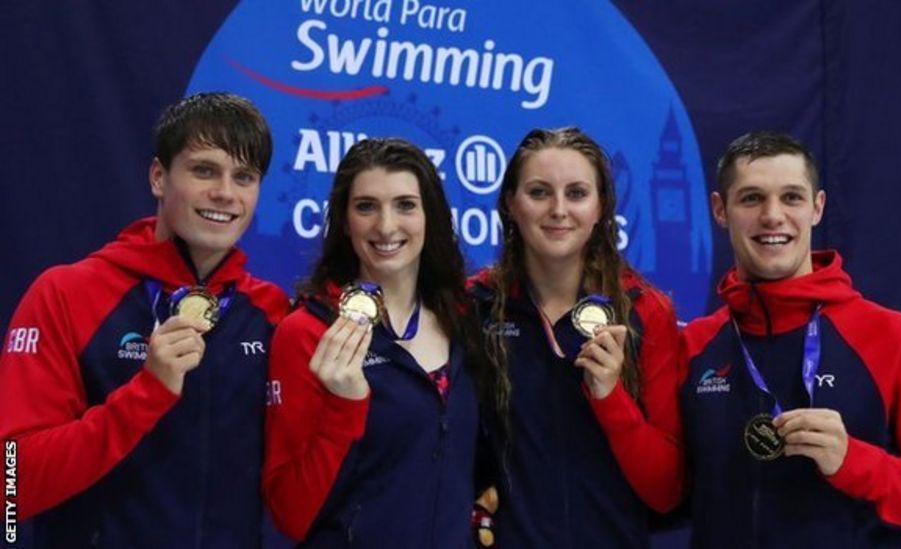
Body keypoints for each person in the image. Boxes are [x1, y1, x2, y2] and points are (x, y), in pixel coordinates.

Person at [0, 93, 290, 547]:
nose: (225, 193)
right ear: (159, 177)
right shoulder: (66, 294)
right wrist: (146, 394)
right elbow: (10, 487)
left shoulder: (271, 312)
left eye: (244, 177)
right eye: (204, 170)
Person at [680, 130, 901, 548]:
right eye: (751, 198)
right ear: (719, 210)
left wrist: (855, 462)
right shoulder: (694, 345)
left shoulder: (892, 337)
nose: (772, 216)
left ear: (817, 208)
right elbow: (663, 492)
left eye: (792, 198)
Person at [262, 137, 494, 547]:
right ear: (345, 220)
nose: (386, 226)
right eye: (366, 206)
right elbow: (290, 514)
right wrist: (344, 407)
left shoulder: (465, 321)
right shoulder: (307, 333)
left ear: (431, 216)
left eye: (405, 204)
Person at [468, 127, 685, 548]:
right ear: (511, 204)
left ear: (601, 207)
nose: (558, 210)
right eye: (539, 192)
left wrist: (610, 397)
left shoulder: (646, 311)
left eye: (577, 193)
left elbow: (666, 491)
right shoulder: (473, 306)